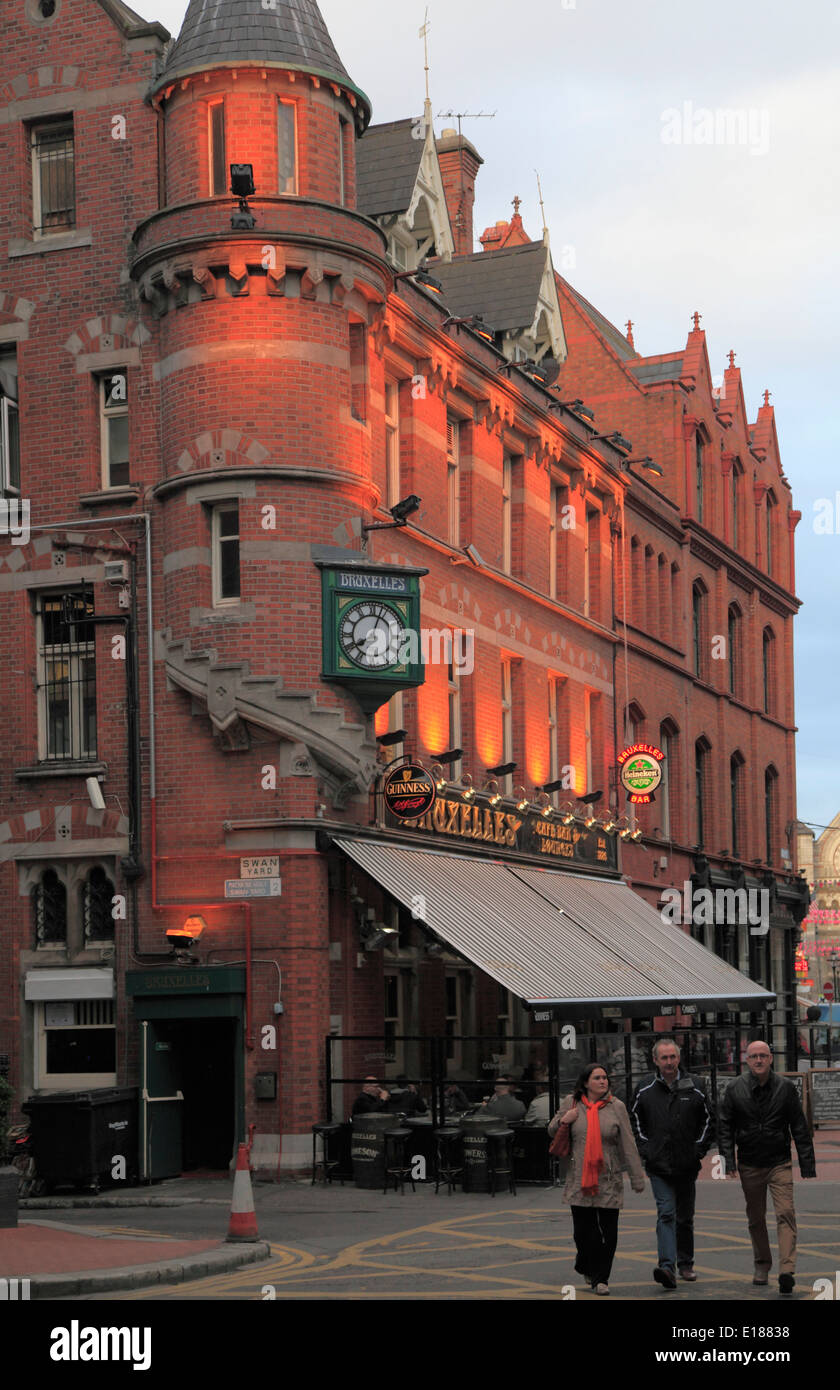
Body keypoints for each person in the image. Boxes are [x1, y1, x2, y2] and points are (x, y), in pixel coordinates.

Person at [717, 1039, 816, 1294]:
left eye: (763, 1055)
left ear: (771, 1058)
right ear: (747, 1060)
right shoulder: (735, 1088)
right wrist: (727, 1160)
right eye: (754, 1056)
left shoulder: (784, 1088)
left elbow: (799, 1125)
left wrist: (807, 1163)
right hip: (749, 1164)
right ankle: (762, 1265)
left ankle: (786, 1270)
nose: (759, 1060)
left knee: (785, 1213)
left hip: (779, 1162)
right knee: (755, 1218)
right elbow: (725, 1126)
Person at [548, 1062, 645, 1295]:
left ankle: (602, 1279)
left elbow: (628, 1143)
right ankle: (584, 1264)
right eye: (597, 1078)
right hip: (579, 1178)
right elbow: (551, 1130)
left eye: (605, 1078)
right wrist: (565, 1120)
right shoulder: (571, 1104)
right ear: (585, 1083)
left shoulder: (616, 1106)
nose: (603, 1081)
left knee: (608, 1232)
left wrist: (637, 1177)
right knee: (583, 1234)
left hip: (608, 1178)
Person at [630, 1037, 714, 1288]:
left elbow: (709, 1119)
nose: (669, 1062)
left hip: (686, 1163)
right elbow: (635, 1119)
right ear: (655, 1060)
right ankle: (667, 1267)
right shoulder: (644, 1087)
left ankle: (686, 1263)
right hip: (658, 1164)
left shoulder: (696, 1085)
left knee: (685, 1217)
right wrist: (646, 1149)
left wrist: (697, 1150)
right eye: (664, 1058)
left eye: (672, 1057)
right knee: (666, 1212)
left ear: (679, 1058)